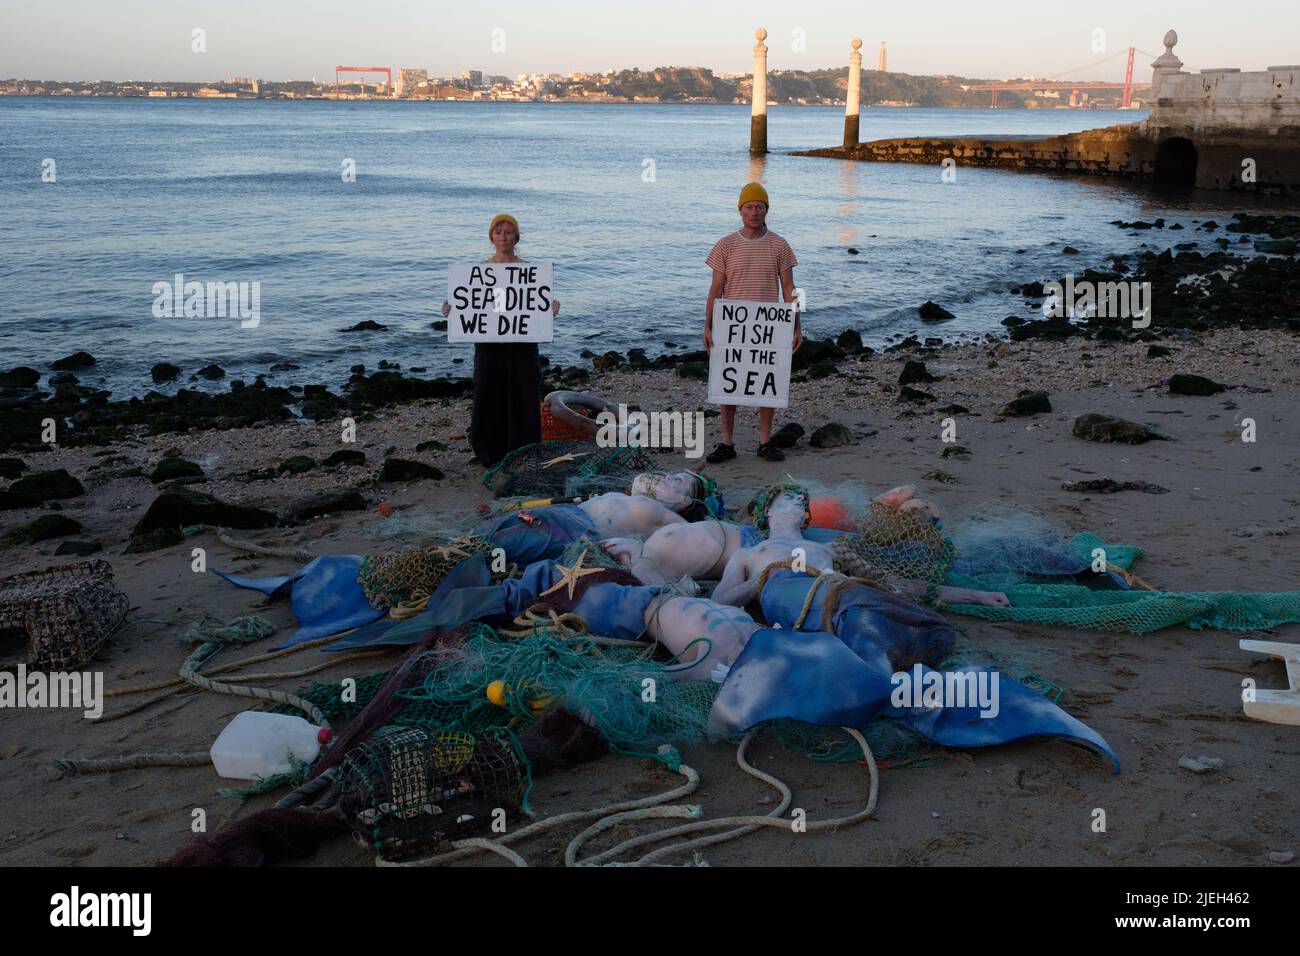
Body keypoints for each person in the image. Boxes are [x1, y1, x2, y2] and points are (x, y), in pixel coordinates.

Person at [442, 214, 560, 469]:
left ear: (516, 237)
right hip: (489, 344)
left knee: (523, 394)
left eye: (508, 232)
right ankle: (489, 451)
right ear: (491, 237)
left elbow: (532, 304)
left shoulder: (529, 270)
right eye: (499, 233)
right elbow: (474, 304)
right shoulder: (479, 271)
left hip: (522, 344)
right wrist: (452, 311)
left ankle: (523, 450)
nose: (503, 237)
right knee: (488, 393)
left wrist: (549, 309)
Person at [703, 182, 803, 464]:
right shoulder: (725, 245)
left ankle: (764, 441)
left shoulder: (780, 244)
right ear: (741, 211)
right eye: (749, 207)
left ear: (766, 210)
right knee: (728, 382)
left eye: (760, 206)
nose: (754, 212)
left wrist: (797, 325)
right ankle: (726, 442)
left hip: (769, 326)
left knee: (768, 384)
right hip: (732, 326)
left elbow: (789, 289)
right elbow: (715, 290)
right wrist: (707, 326)